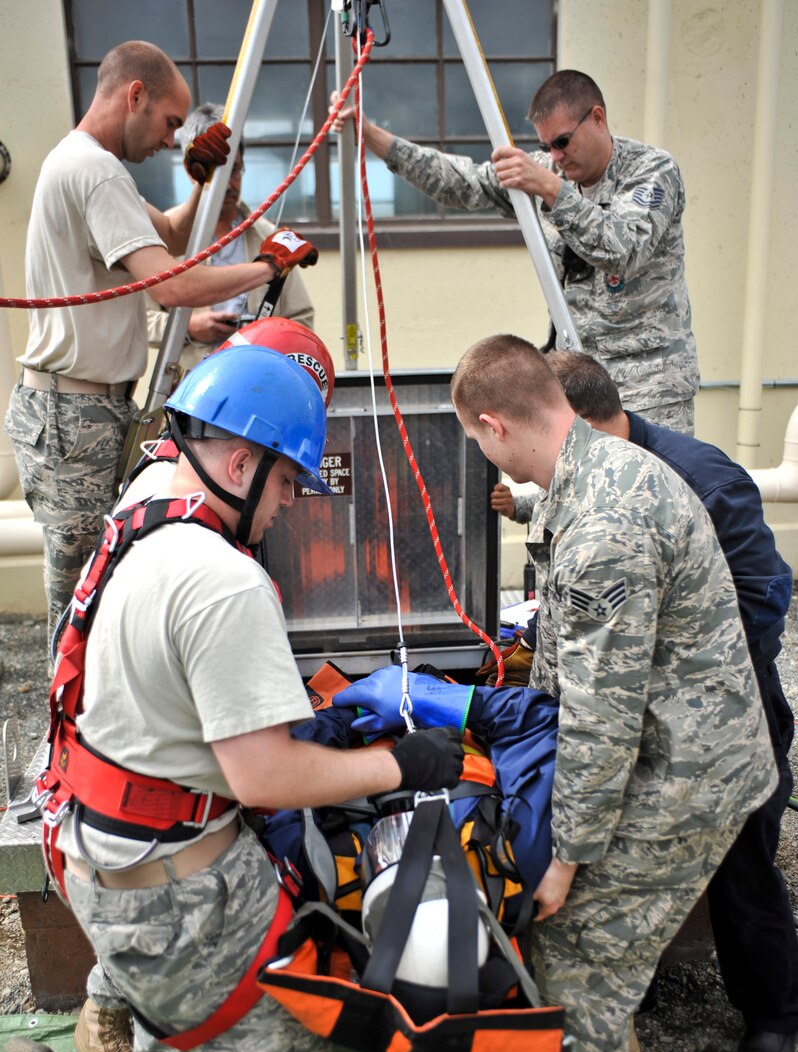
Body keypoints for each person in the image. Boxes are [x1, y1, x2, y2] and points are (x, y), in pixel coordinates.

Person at [46, 343, 464, 1052]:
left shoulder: (146, 503)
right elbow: (265, 780)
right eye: (286, 484)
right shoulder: (224, 581)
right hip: (169, 887)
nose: (290, 507)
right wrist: (399, 760)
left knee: (177, 995)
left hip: (95, 853)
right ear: (240, 460)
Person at [438, 334, 775, 1052]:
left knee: (571, 935)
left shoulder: (605, 530)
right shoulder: (605, 466)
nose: (489, 462)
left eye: (481, 445)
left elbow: (601, 715)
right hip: (693, 748)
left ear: (494, 424)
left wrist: (569, 853)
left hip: (684, 770)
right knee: (601, 933)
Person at [495, 349, 797, 1052]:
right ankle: (639, 996)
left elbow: (763, 594)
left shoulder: (704, 475)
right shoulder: (600, 468)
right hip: (654, 727)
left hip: (725, 712)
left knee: (741, 868)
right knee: (631, 868)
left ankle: (774, 1015)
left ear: (586, 422)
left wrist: (673, 674)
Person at [3, 41, 317, 642]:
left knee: (107, 586)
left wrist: (203, 184)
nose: (172, 140)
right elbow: (172, 286)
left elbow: (171, 233)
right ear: (135, 96)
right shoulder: (93, 170)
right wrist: (267, 267)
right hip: (74, 414)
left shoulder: (92, 166)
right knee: (79, 605)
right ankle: (67, 733)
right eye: (171, 123)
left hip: (91, 408)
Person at [331, 69, 698, 434]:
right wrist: (373, 136)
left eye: (563, 141)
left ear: (597, 118)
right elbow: (461, 182)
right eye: (546, 146)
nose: (556, 156)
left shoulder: (652, 171)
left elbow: (622, 249)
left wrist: (552, 190)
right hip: (580, 386)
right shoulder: (550, 171)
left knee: (651, 490)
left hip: (651, 387)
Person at [146, 103, 315, 370]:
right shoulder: (164, 237)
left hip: (255, 385)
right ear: (193, 173)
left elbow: (300, 319)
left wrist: (266, 339)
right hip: (188, 389)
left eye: (235, 171)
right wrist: (187, 327)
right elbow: (139, 320)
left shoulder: (270, 238)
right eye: (218, 173)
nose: (229, 183)